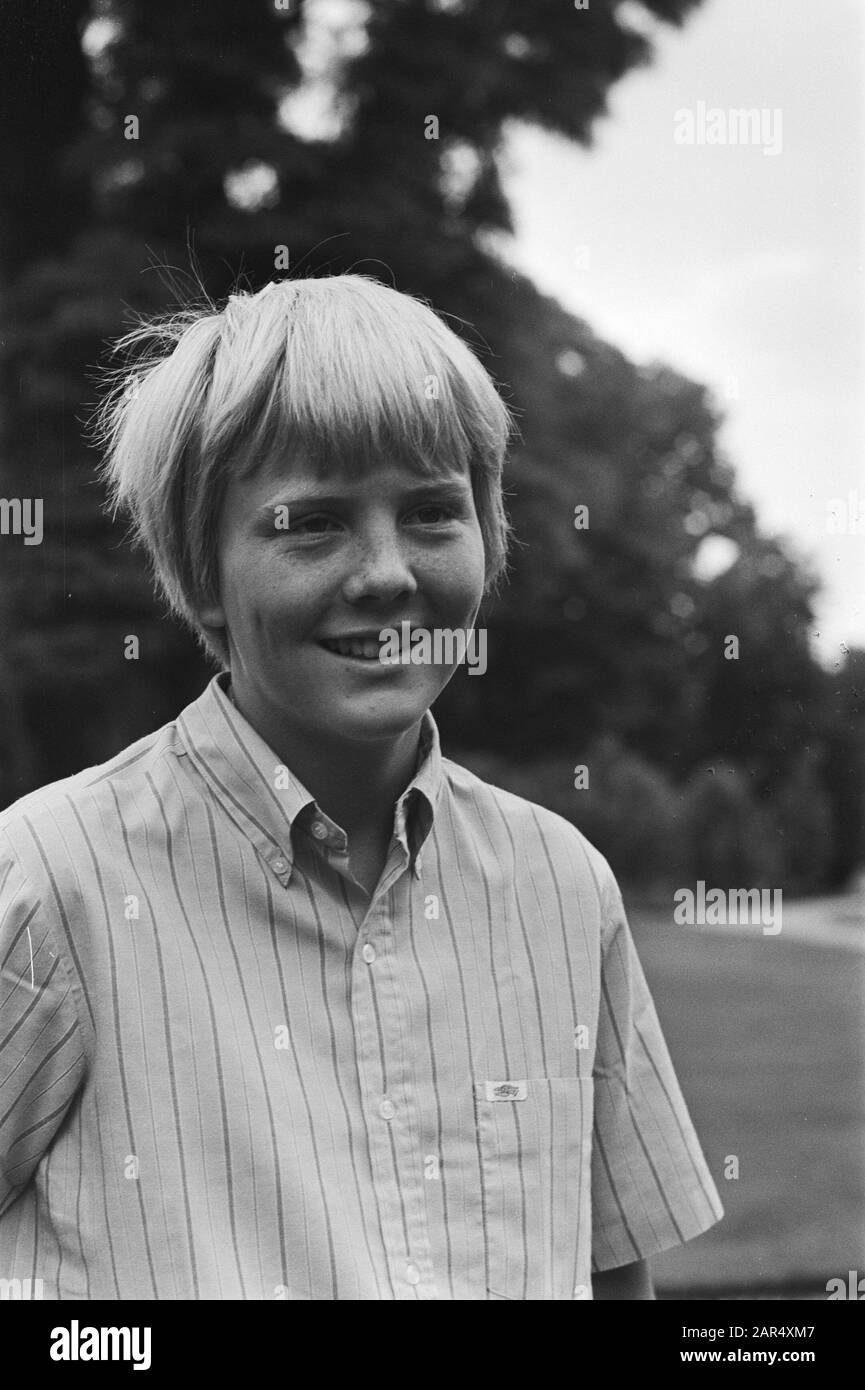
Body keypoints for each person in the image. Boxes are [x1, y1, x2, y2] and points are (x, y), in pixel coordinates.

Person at [0, 275, 722, 1299]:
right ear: (201, 573)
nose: (386, 571)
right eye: (313, 522)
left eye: (432, 511)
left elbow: (614, 1279)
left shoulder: (563, 885)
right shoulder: (54, 878)